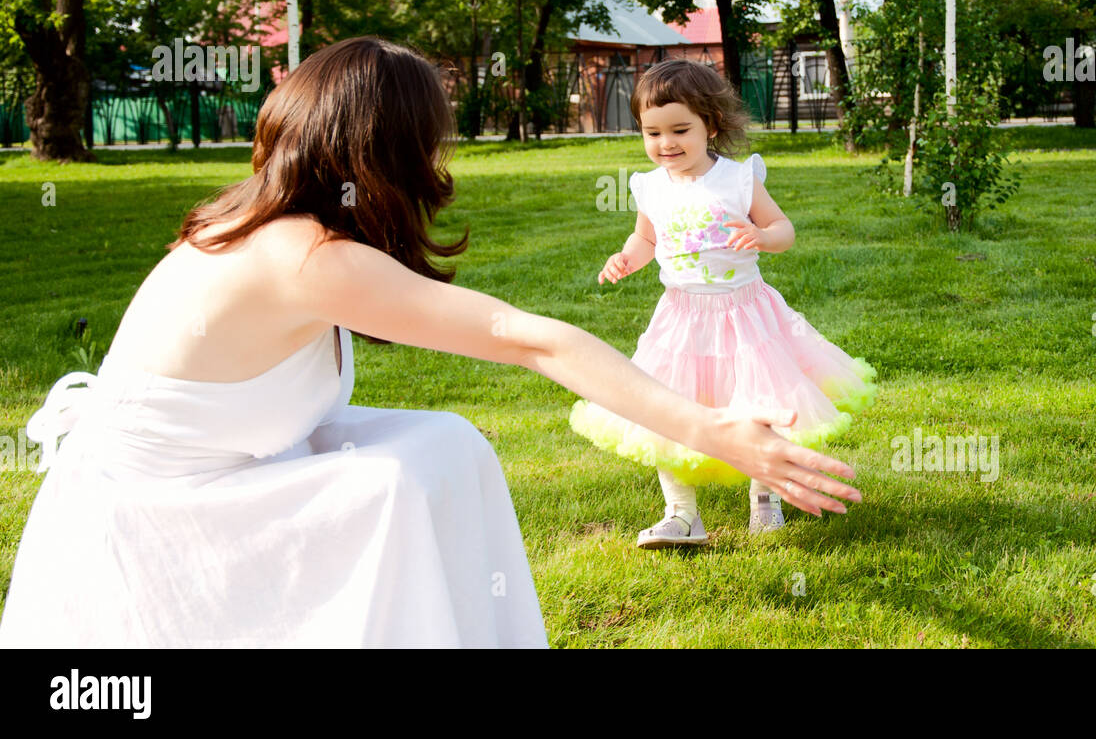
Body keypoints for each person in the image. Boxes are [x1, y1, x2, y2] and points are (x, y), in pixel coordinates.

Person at [0, 37, 863, 649]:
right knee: (396, 475)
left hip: (213, 471)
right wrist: (712, 429)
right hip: (157, 524)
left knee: (444, 441)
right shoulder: (304, 254)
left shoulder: (262, 219)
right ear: (386, 150)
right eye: (428, 141)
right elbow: (529, 340)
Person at [569, 59, 878, 549]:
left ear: (710, 125)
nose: (665, 143)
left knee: (762, 402)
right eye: (652, 132)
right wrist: (626, 259)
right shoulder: (650, 186)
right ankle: (682, 513)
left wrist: (760, 235)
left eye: (679, 130)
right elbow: (645, 239)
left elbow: (784, 229)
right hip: (680, 318)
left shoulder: (737, 179)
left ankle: (765, 496)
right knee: (666, 406)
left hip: (745, 314)